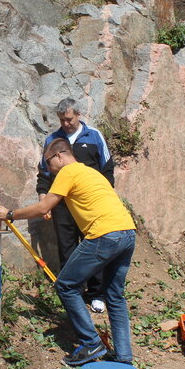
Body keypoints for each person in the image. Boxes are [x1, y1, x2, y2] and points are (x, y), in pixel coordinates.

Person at [0, 137, 136, 366]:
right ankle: (124, 355)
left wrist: (9, 214)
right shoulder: (91, 172)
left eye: (48, 163)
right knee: (115, 296)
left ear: (59, 156)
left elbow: (42, 207)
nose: (48, 169)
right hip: (127, 232)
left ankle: (91, 343)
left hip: (104, 234)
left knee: (65, 285)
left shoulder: (67, 173)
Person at [36, 98, 115, 314]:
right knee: (67, 248)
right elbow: (44, 174)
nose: (66, 124)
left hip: (90, 204)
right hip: (62, 204)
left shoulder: (94, 136)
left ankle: (96, 294)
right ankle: (73, 292)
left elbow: (107, 168)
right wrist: (45, 200)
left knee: (94, 246)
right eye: (62, 120)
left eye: (69, 119)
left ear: (78, 114)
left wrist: (103, 198)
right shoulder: (53, 140)